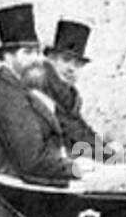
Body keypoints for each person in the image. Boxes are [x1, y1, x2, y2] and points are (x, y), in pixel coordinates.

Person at [0, 4, 78, 186]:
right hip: (31, 191)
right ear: (8, 57)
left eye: (38, 51)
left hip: (48, 182)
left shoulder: (20, 88)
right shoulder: (5, 94)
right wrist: (81, 169)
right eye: (28, 52)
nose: (37, 59)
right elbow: (33, 161)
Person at [41, 18, 107, 157]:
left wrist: (111, 155)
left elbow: (82, 132)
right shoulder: (41, 92)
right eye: (65, 60)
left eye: (77, 64)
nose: (71, 68)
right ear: (51, 59)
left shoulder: (70, 96)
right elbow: (72, 130)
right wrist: (109, 156)